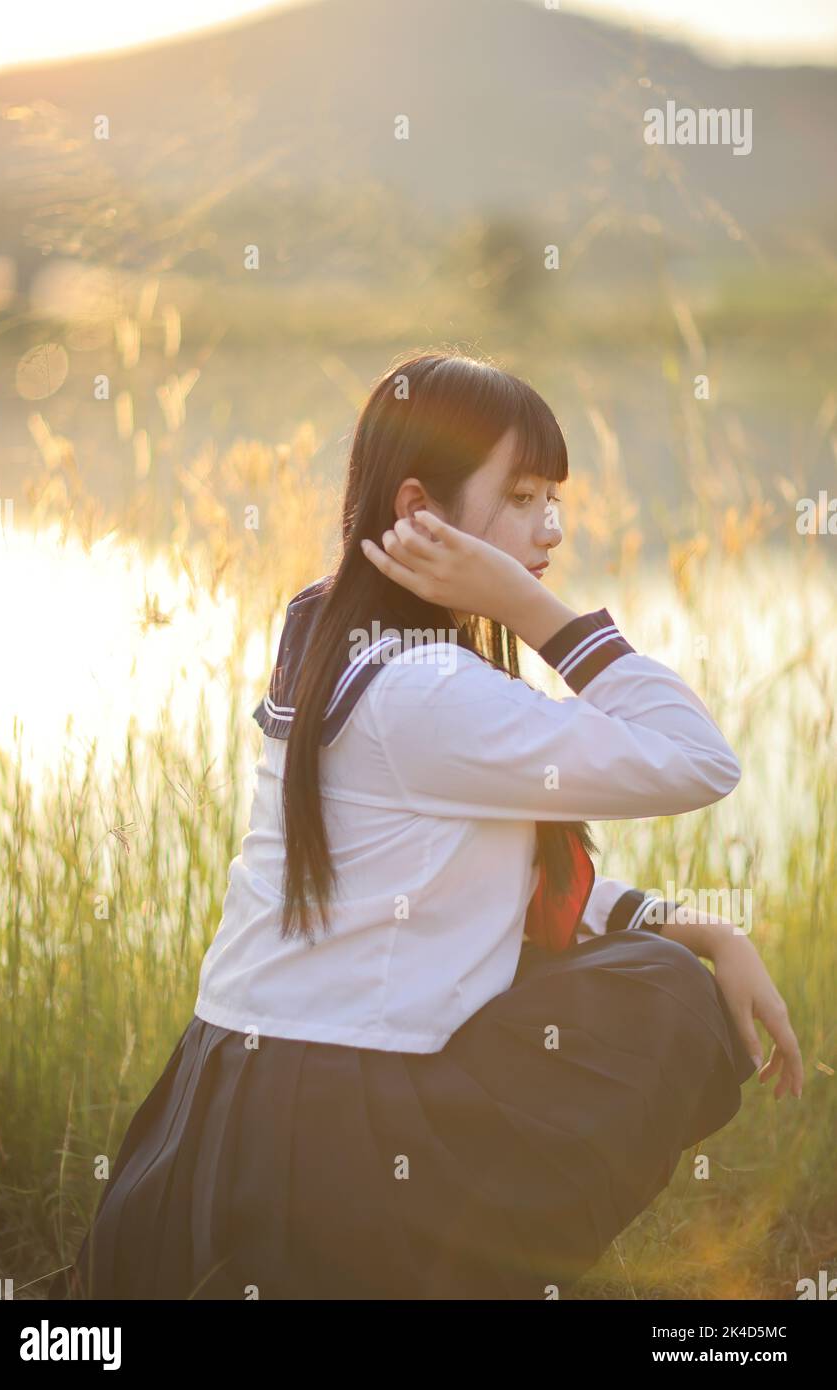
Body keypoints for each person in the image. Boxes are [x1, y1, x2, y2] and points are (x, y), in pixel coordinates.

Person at [50, 350, 802, 1301]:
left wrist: (679, 918)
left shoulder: (338, 638)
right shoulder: (423, 688)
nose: (552, 529)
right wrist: (531, 609)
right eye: (523, 497)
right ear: (419, 511)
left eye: (553, 499)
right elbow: (700, 758)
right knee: (659, 1002)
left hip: (235, 1112)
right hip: (323, 1137)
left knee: (641, 967)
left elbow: (459, 875)